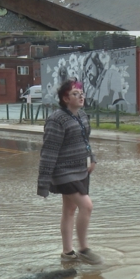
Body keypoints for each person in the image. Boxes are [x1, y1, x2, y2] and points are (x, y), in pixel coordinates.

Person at [36, 79, 103, 265]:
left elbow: (85, 141)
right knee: (86, 206)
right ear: (65, 98)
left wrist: (92, 158)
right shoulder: (56, 120)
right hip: (63, 172)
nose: (81, 96)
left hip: (81, 170)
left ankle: (67, 253)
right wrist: (43, 184)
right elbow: (48, 152)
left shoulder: (82, 116)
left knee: (69, 209)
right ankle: (84, 249)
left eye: (81, 93)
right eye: (75, 93)